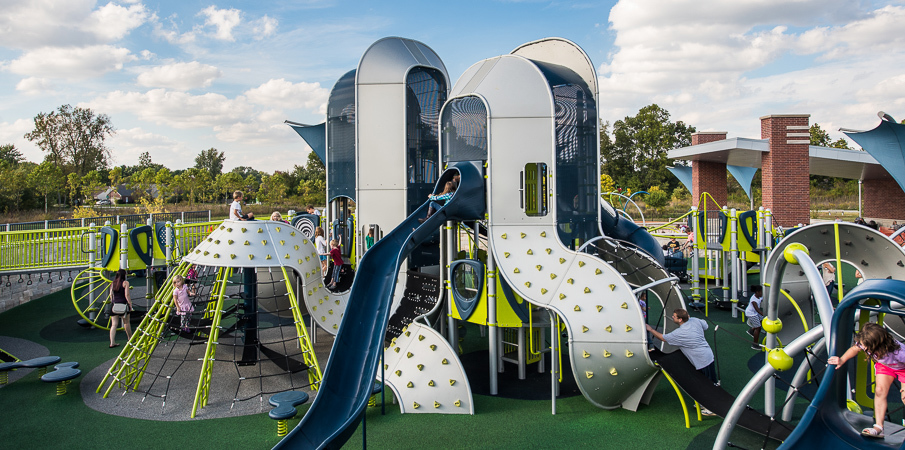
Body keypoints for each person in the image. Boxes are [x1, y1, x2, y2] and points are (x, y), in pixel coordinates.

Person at [828, 323, 905, 438]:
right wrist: (842, 359)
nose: (864, 349)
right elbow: (855, 349)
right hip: (885, 366)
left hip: (902, 368)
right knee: (879, 391)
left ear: (878, 345)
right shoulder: (865, 343)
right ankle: (879, 427)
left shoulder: (899, 353)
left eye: (867, 348)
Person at [646, 309, 718, 416]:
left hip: (702, 360)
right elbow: (706, 326)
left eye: (674, 316)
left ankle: (712, 408)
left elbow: (662, 338)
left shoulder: (681, 333)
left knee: (707, 385)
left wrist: (651, 329)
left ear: (680, 319)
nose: (672, 317)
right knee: (707, 382)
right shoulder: (694, 320)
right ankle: (706, 403)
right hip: (707, 355)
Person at [108, 269, 133, 348]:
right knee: (126, 323)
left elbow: (111, 295)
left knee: (114, 324)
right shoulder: (125, 283)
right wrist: (130, 304)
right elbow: (127, 295)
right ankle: (130, 338)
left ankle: (112, 342)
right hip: (123, 305)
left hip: (115, 306)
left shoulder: (113, 283)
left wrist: (113, 301)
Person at [745, 285, 764, 350]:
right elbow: (757, 310)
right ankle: (755, 345)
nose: (762, 293)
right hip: (751, 314)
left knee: (761, 320)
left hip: (754, 313)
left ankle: (751, 330)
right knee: (758, 328)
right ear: (757, 292)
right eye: (761, 292)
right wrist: (765, 314)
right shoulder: (753, 300)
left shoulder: (759, 297)